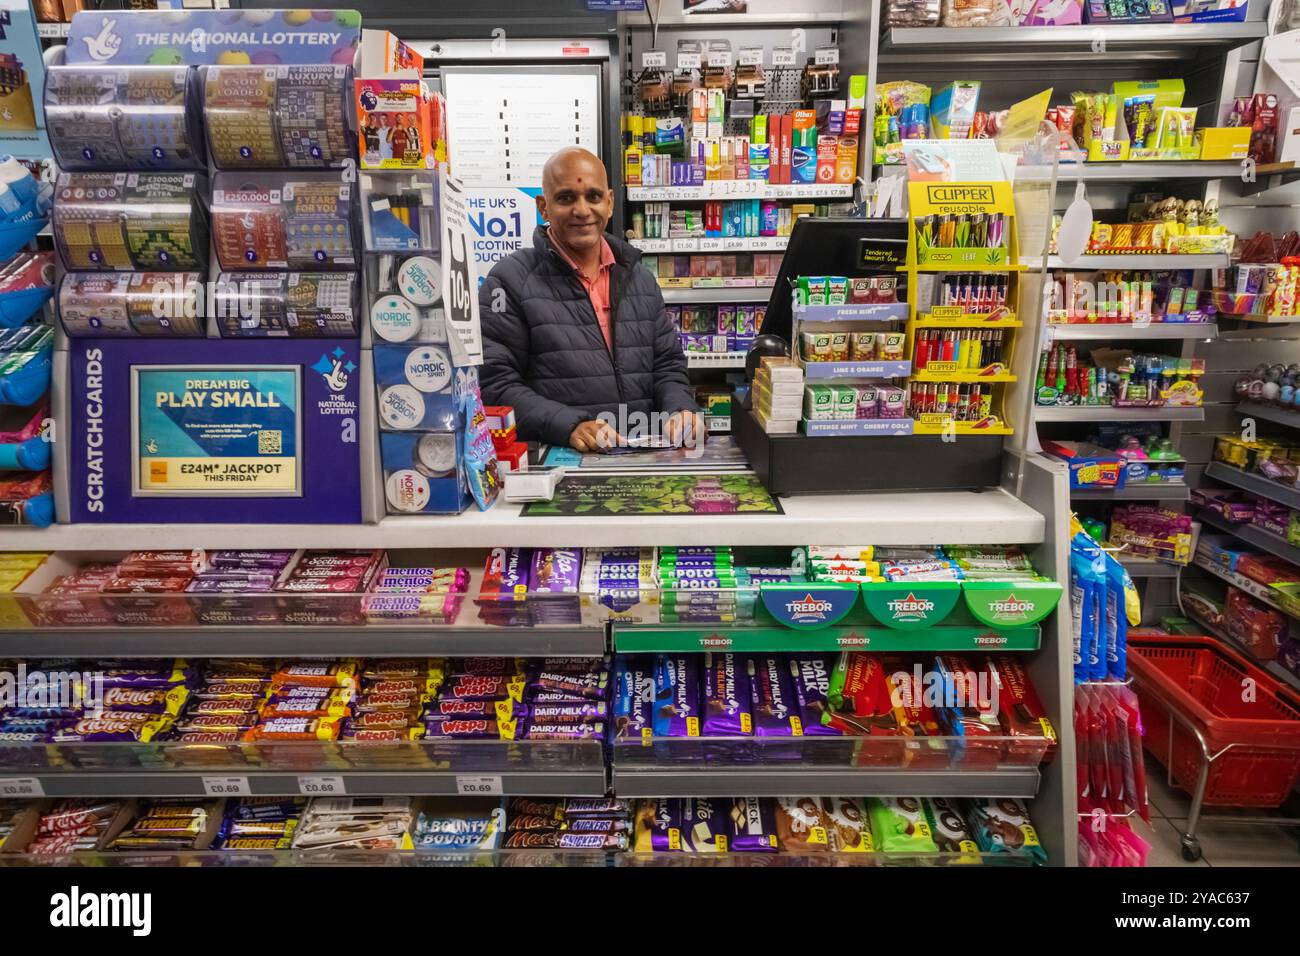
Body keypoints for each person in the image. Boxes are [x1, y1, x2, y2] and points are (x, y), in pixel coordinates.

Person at [479, 147, 704, 452]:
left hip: (643, 456)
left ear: (609, 203)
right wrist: (569, 425)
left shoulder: (640, 279)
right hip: (563, 461)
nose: (582, 210)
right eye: (566, 198)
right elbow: (495, 384)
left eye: (594, 197)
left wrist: (680, 408)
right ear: (544, 207)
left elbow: (666, 365)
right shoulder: (509, 281)